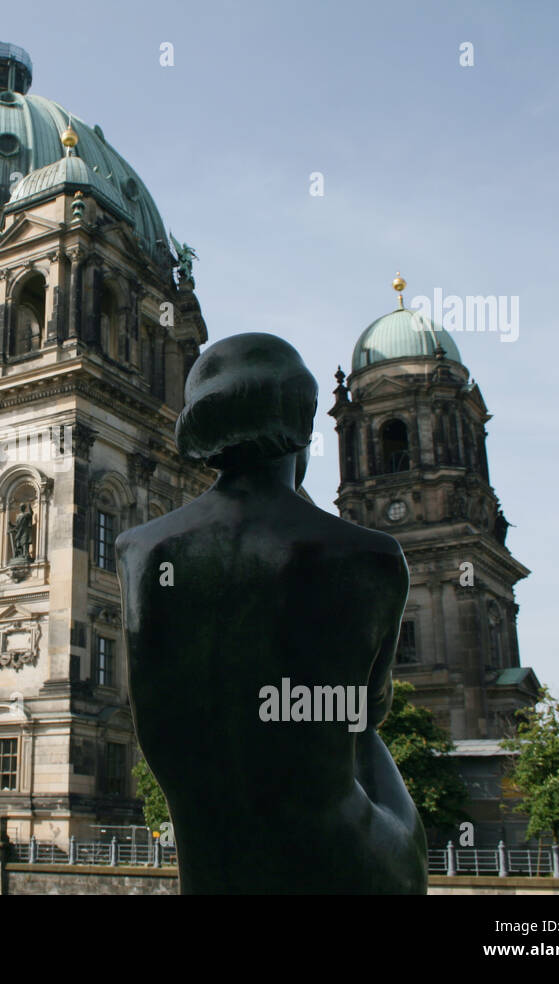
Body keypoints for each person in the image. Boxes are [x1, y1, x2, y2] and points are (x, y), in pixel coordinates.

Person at [115, 333, 426, 894]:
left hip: (211, 874)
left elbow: (159, 716)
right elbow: (365, 718)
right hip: (349, 871)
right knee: (354, 723)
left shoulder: (140, 551)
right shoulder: (370, 555)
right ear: (303, 424)